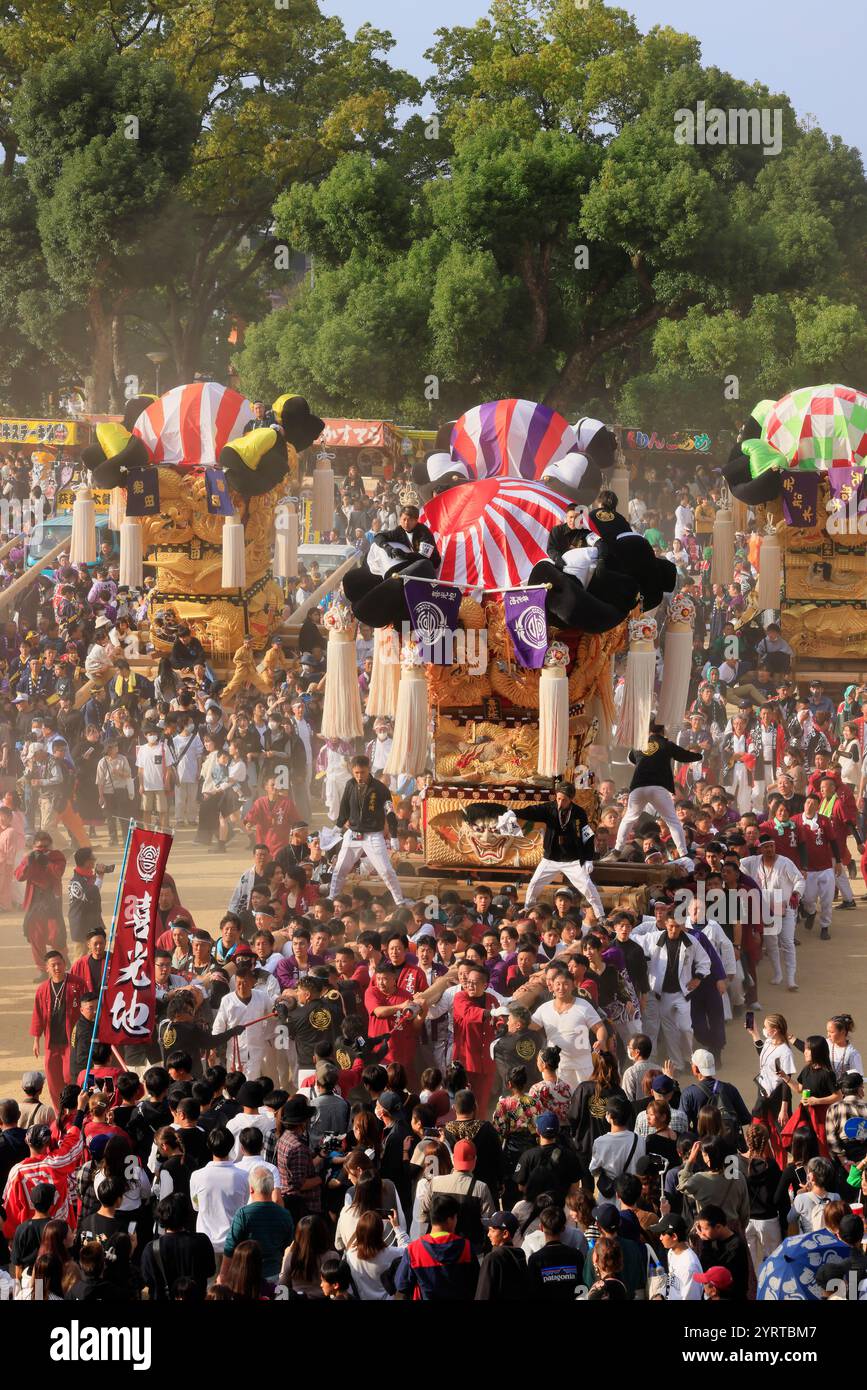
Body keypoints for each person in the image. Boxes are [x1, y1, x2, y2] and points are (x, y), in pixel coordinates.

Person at [614, 722, 702, 858]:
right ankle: (684, 852)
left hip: (638, 786)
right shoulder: (666, 744)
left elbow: (631, 759)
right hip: (657, 787)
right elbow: (684, 756)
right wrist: (699, 756)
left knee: (628, 819)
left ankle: (617, 849)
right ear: (663, 730)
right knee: (672, 821)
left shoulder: (639, 744)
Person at [329, 755, 407, 906]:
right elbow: (344, 808)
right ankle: (332, 897)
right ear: (352, 771)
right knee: (340, 869)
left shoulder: (380, 788)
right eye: (356, 773)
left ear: (368, 769)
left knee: (386, 871)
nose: (359, 776)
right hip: (353, 834)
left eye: (362, 772)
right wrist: (338, 827)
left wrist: (394, 835)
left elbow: (389, 812)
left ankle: (399, 900)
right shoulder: (350, 785)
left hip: (373, 835)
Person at [520, 781, 604, 919]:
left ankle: (601, 915)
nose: (560, 802)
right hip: (551, 859)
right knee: (535, 883)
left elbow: (587, 835)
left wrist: (589, 858)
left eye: (564, 800)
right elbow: (532, 811)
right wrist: (513, 812)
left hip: (572, 860)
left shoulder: (579, 813)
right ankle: (527, 908)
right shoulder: (549, 808)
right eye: (558, 798)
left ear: (571, 799)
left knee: (588, 886)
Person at [393, 1193, 479, 1301]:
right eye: (456, 1217)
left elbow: (401, 1285)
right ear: (450, 1219)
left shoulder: (414, 1250)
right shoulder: (466, 1247)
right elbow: (476, 1284)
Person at [29, 952, 85, 1112]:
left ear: (64, 963)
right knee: (53, 1080)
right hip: (51, 1043)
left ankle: (74, 1109)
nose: (56, 968)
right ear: (47, 968)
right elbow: (37, 1015)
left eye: (59, 964)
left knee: (69, 1076)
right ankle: (60, 1113)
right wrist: (36, 1040)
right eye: (52, 965)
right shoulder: (42, 989)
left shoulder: (77, 984)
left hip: (71, 1041)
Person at [220, 1166, 295, 1283]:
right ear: (272, 1189)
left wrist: (223, 1275)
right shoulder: (285, 1215)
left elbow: (230, 1247)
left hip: (247, 1276)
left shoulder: (243, 1214)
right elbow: (289, 1247)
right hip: (276, 1276)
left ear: (251, 1189)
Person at [188, 1126, 249, 1261]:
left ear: (209, 1146)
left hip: (206, 1242)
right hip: (234, 1241)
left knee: (210, 1282)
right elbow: (245, 1204)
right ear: (232, 1145)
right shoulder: (243, 1176)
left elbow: (196, 1206)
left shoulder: (197, 1176)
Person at [16, 832, 67, 977]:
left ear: (50, 846)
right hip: (34, 903)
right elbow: (19, 876)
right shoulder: (30, 858)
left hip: (52, 902)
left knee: (56, 935)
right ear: (34, 847)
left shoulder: (56, 856)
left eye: (45, 847)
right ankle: (42, 969)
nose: (42, 850)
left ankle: (62, 962)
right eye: (39, 848)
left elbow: (58, 873)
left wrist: (46, 861)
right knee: (35, 936)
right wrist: (28, 862)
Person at [526, 1204, 584, 1301]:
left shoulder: (535, 1259)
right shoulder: (576, 1256)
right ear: (563, 1228)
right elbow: (582, 1288)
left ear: (541, 1228)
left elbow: (533, 1292)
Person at [474, 1210, 529, 1300]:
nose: (488, 1234)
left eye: (492, 1231)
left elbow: (483, 1294)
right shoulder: (520, 1254)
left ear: (505, 1234)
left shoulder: (492, 1258)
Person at [649, 1212, 703, 1300]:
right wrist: (661, 1295)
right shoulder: (671, 1252)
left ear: (674, 1236)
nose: (660, 1238)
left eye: (663, 1234)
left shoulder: (690, 1267)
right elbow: (672, 1284)